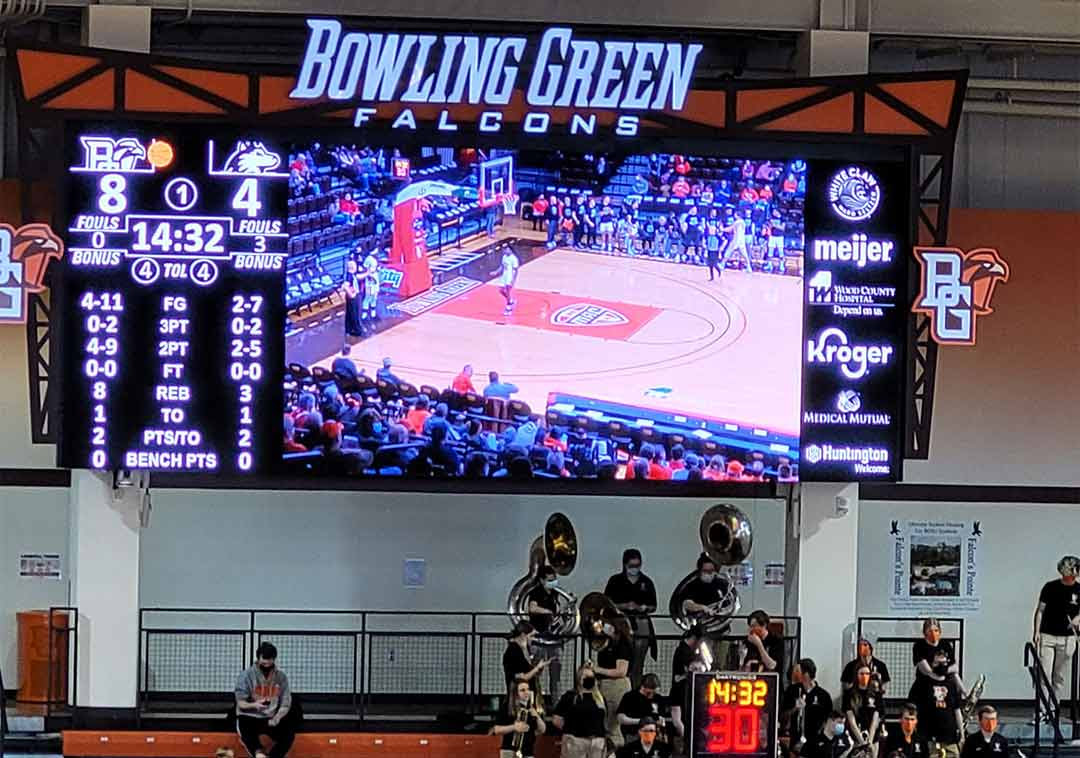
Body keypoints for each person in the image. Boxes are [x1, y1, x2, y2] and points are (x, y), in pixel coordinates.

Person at [604, 549, 658, 688]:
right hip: (620, 623)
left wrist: (643, 607)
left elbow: (653, 606)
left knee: (638, 663)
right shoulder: (615, 581)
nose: (635, 569)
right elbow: (606, 603)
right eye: (631, 565)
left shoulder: (646, 582)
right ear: (624, 564)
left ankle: (636, 688)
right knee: (621, 659)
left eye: (637, 565)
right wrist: (624, 606)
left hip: (640, 623)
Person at [235, 643, 295, 758]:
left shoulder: (281, 677)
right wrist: (254, 705)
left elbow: (285, 703)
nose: (266, 665)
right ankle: (259, 753)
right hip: (250, 717)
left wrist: (277, 717)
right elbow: (241, 703)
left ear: (274, 659)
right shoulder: (246, 676)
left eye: (269, 662)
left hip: (270, 717)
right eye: (263, 662)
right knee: (245, 729)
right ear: (258, 658)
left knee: (288, 734)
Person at [1033, 555, 1080, 701]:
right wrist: (1036, 632)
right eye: (1074, 569)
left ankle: (1054, 707)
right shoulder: (1050, 587)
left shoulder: (1079, 589)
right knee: (1044, 675)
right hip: (1047, 636)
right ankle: (1043, 709)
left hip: (1068, 638)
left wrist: (1078, 618)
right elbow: (1040, 611)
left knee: (1059, 676)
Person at [910, 649, 963, 758]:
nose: (942, 666)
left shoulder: (951, 684)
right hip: (929, 739)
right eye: (938, 663)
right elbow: (912, 709)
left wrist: (962, 733)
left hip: (950, 738)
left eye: (944, 663)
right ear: (932, 664)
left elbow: (957, 710)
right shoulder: (921, 683)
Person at [591, 617, 633, 746]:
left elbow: (621, 671)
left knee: (613, 725)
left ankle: (616, 749)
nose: (605, 627)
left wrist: (598, 669)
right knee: (606, 722)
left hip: (616, 686)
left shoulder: (623, 644)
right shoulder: (607, 642)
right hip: (604, 685)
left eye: (608, 624)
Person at [781, 659, 833, 758]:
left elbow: (828, 721)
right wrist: (795, 708)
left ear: (806, 674)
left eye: (797, 671)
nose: (794, 674)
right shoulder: (791, 691)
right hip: (796, 744)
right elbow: (782, 717)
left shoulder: (823, 696)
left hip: (816, 745)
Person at [911, 620, 972, 704]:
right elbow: (926, 670)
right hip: (925, 685)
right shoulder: (919, 646)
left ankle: (966, 695)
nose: (933, 633)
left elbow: (955, 668)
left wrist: (944, 670)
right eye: (930, 631)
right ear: (924, 633)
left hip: (945, 684)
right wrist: (939, 671)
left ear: (940, 632)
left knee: (953, 702)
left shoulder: (945, 644)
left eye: (936, 630)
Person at [554, 664, 608, 758]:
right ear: (579, 679)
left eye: (591, 677)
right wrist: (571, 732)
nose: (588, 679)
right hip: (575, 742)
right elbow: (557, 719)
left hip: (597, 744)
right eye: (586, 676)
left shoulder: (600, 698)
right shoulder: (570, 696)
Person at [528, 565, 565, 699]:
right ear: (542, 580)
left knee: (556, 675)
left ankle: (556, 704)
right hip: (539, 638)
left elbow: (556, 611)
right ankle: (535, 701)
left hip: (553, 638)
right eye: (550, 580)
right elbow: (532, 608)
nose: (553, 582)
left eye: (554, 579)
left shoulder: (555, 593)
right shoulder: (536, 592)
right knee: (536, 672)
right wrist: (547, 612)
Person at [493, 679, 546, 758]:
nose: (526, 692)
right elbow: (496, 730)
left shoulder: (533, 708)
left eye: (528, 689)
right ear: (515, 693)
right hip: (509, 751)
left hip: (528, 752)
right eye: (522, 690)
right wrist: (514, 727)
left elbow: (542, 730)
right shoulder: (507, 707)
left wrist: (537, 716)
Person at [843, 665, 884, 758]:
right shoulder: (849, 694)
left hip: (873, 738)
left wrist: (869, 742)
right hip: (856, 738)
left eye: (867, 674)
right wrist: (862, 742)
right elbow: (851, 720)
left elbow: (875, 719)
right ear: (856, 675)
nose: (864, 676)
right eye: (861, 674)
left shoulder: (876, 694)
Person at [616, 673, 666, 742]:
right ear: (642, 687)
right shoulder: (630, 696)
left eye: (654, 693)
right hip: (634, 734)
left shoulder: (658, 698)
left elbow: (661, 717)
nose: (652, 695)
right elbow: (620, 718)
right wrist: (639, 721)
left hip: (653, 734)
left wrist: (661, 723)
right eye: (649, 692)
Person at [503, 621, 549, 692]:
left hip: (528, 694)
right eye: (531, 636)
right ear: (523, 635)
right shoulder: (513, 652)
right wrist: (537, 668)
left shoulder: (523, 649)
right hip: (518, 695)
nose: (533, 639)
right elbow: (522, 677)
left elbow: (530, 671)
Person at [341, 258, 363, 354]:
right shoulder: (349, 276)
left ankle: (349, 329)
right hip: (353, 297)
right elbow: (345, 286)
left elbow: (357, 277)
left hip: (352, 296)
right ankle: (357, 331)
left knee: (350, 314)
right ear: (353, 267)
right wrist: (351, 294)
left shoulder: (351, 275)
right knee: (354, 313)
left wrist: (367, 273)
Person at [491, 246, 521, 315]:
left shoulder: (514, 259)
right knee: (501, 290)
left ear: (511, 250)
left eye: (507, 250)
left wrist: (513, 279)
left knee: (508, 291)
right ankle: (511, 301)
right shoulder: (504, 257)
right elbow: (502, 266)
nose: (506, 251)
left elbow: (516, 270)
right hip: (504, 275)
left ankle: (509, 307)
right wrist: (496, 272)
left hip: (510, 276)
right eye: (505, 250)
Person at [360, 251, 381, 334]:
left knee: (374, 297)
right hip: (370, 279)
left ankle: (373, 314)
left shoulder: (376, 257)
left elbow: (376, 267)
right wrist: (368, 276)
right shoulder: (368, 258)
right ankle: (364, 316)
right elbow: (364, 268)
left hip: (375, 276)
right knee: (368, 297)